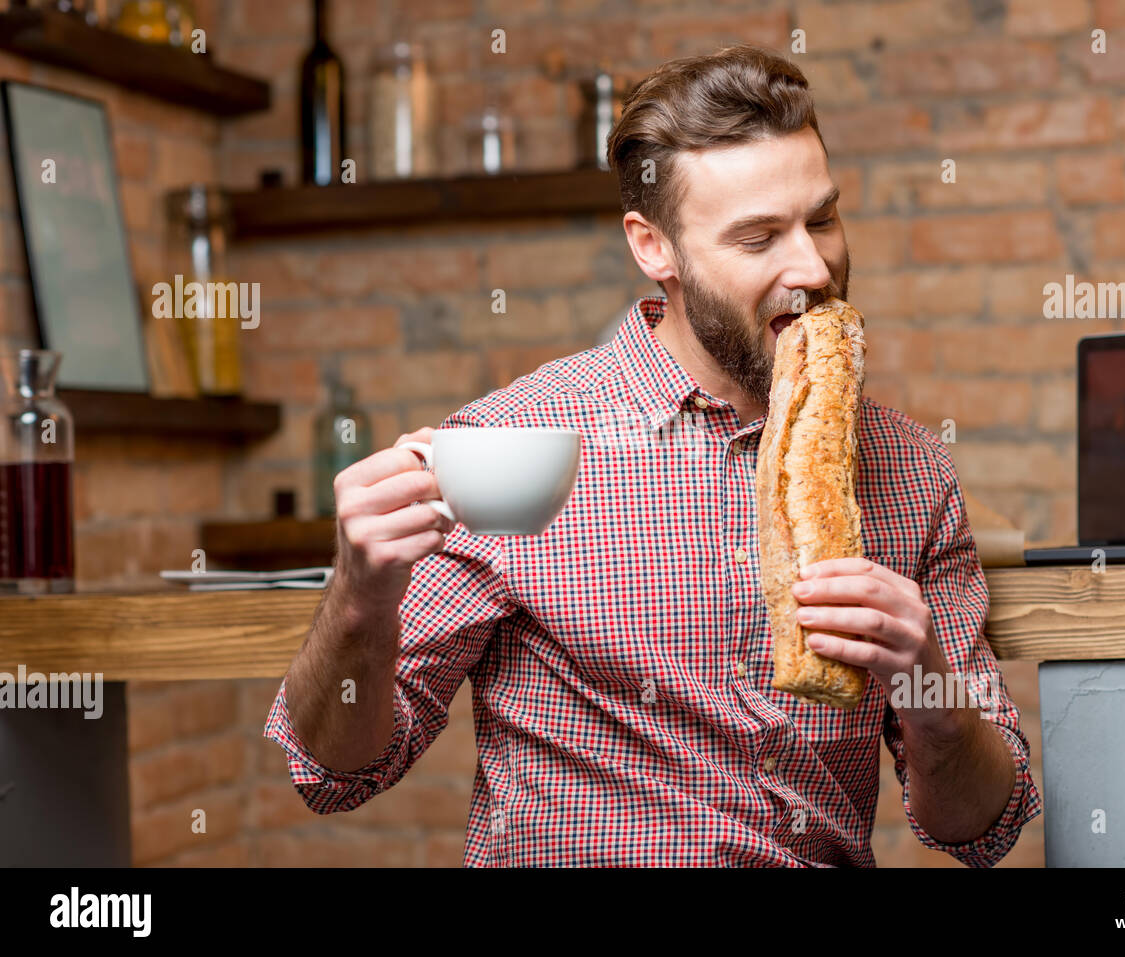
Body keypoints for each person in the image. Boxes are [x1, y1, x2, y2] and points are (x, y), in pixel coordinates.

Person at [264, 43, 1043, 867]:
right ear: (653, 247)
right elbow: (332, 772)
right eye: (757, 238)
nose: (813, 268)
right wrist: (358, 593)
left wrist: (929, 690)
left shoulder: (913, 469)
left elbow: (983, 828)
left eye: (822, 218)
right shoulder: (516, 447)